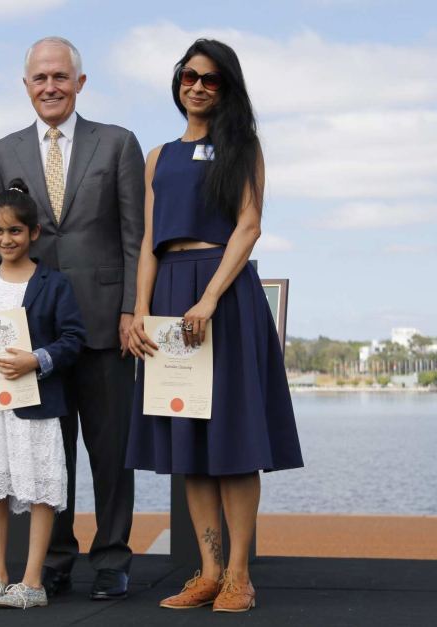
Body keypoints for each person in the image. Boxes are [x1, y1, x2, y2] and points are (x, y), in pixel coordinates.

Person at [125, 39, 303, 613]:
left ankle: (240, 577)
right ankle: (208, 572)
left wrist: (207, 299)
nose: (197, 86)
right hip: (169, 295)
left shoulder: (243, 147)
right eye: (188, 76)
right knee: (188, 441)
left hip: (221, 294)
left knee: (232, 440)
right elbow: (149, 243)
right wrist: (140, 312)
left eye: (210, 79)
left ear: (226, 88)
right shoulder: (158, 157)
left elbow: (249, 227)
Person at [0, 35, 144, 600]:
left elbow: (135, 238)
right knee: (48, 451)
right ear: (26, 86)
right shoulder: (2, 153)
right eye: (38, 78)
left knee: (109, 449)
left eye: (59, 76)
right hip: (35, 338)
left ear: (80, 82)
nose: (49, 86)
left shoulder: (118, 144)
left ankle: (113, 556)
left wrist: (132, 310)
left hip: (105, 327)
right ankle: (54, 557)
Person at [0, 179, 87, 609]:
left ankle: (33, 581)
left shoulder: (54, 283)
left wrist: (36, 359)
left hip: (35, 406)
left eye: (16, 231)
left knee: (40, 488)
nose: (7, 239)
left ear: (34, 233)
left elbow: (73, 338)